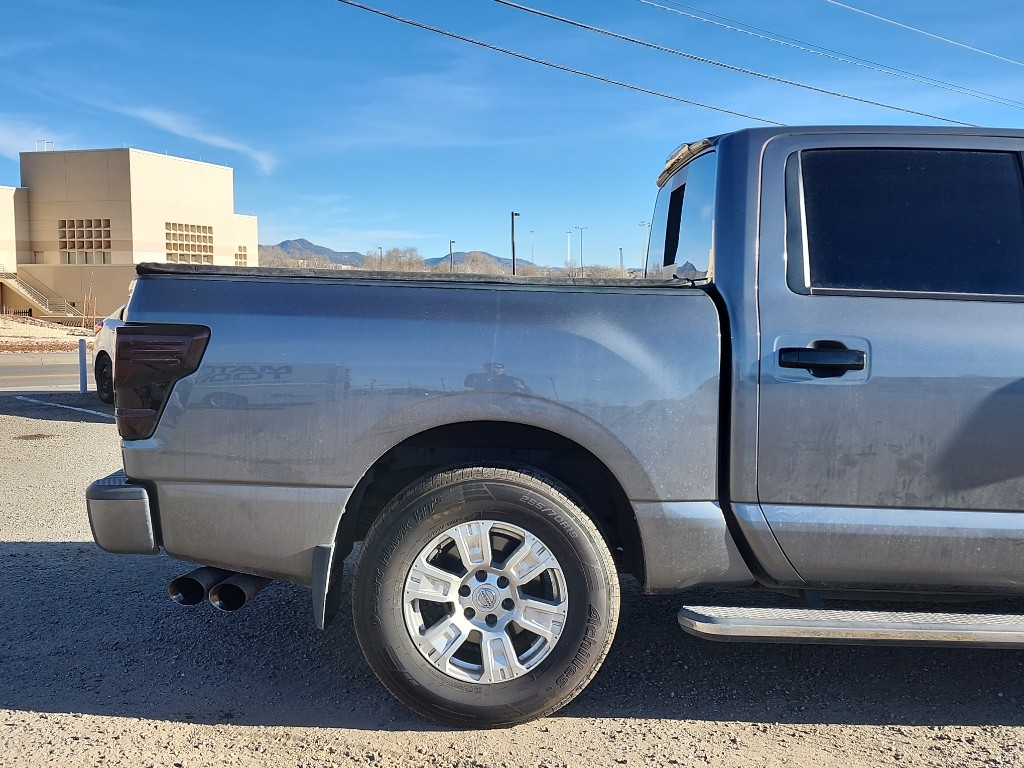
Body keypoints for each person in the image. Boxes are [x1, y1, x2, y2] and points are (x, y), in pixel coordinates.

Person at [464, 362, 532, 394]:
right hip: (479, 407)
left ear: (504, 369)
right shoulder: (474, 376)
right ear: (486, 368)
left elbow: (530, 394)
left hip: (507, 410)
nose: (494, 369)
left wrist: (521, 387)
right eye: (490, 366)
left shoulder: (514, 380)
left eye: (498, 367)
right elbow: (467, 387)